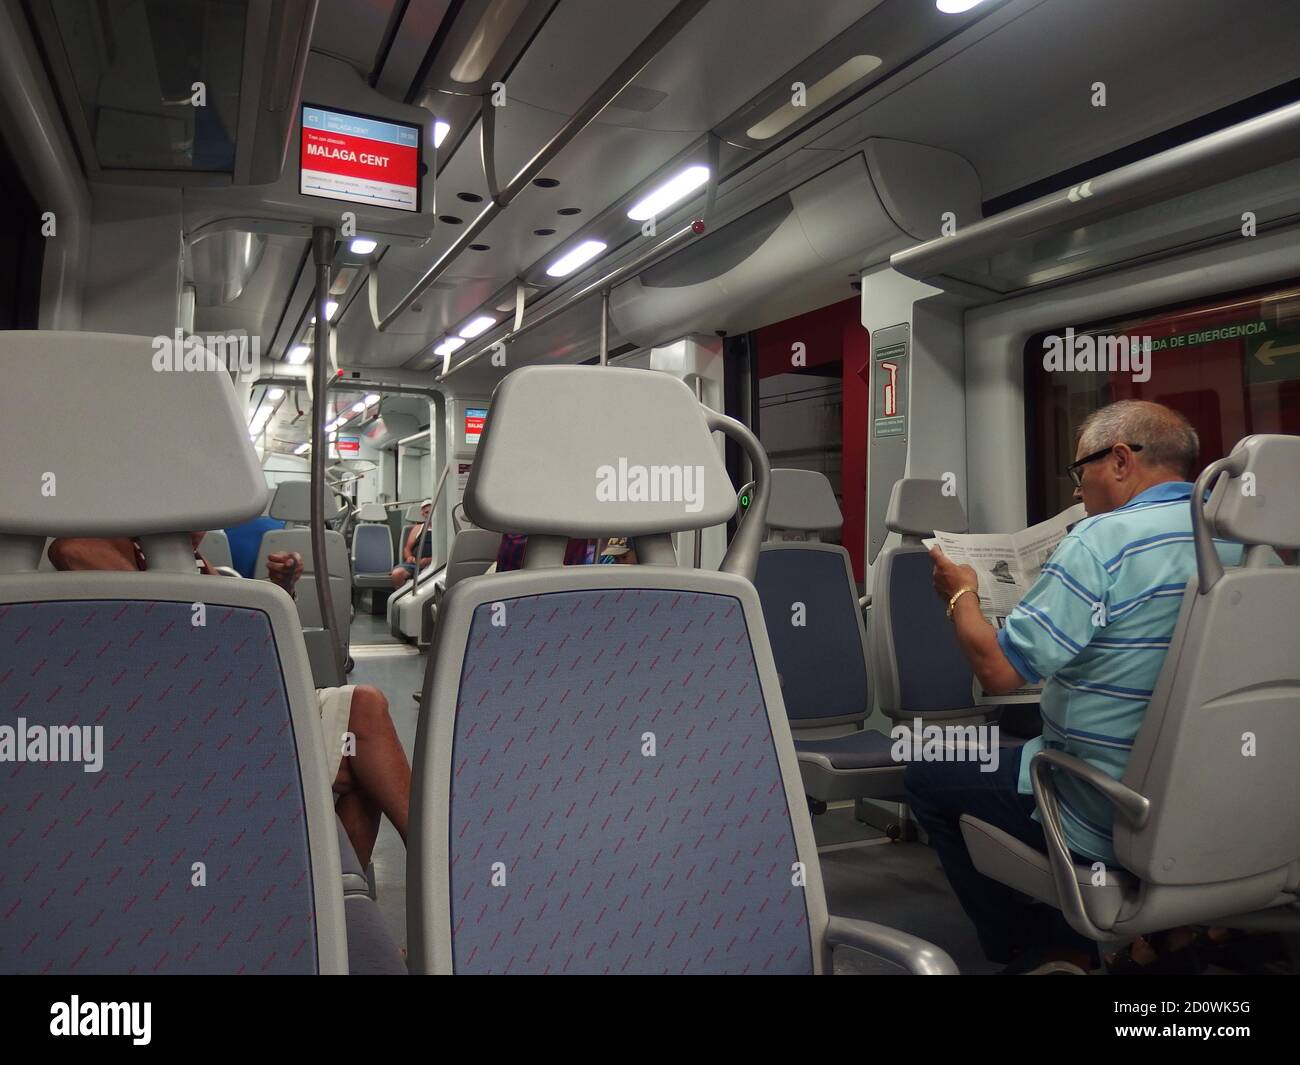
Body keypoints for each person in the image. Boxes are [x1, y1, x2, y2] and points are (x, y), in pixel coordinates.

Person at [908, 400, 1243, 973]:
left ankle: (1050, 951)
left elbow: (998, 671)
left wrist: (960, 592)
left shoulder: (1100, 542)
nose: (1076, 489)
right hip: (1224, 798)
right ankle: (1173, 932)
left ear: (1119, 461)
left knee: (926, 776)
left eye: (1079, 470)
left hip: (1106, 801)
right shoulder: (1243, 541)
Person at [47, 532, 410, 868]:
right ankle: (404, 889)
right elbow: (69, 551)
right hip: (184, 728)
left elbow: (232, 635)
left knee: (365, 707)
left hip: (233, 706)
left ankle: (342, 912)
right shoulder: (115, 547)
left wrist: (277, 589)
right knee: (364, 740)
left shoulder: (196, 561)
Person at [390, 500, 433, 588]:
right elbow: (407, 549)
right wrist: (409, 557)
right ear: (423, 514)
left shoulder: (444, 528)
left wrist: (428, 560)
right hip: (415, 564)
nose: (430, 515)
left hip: (435, 564)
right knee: (396, 574)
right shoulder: (418, 528)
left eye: (432, 511)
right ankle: (403, 598)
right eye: (426, 512)